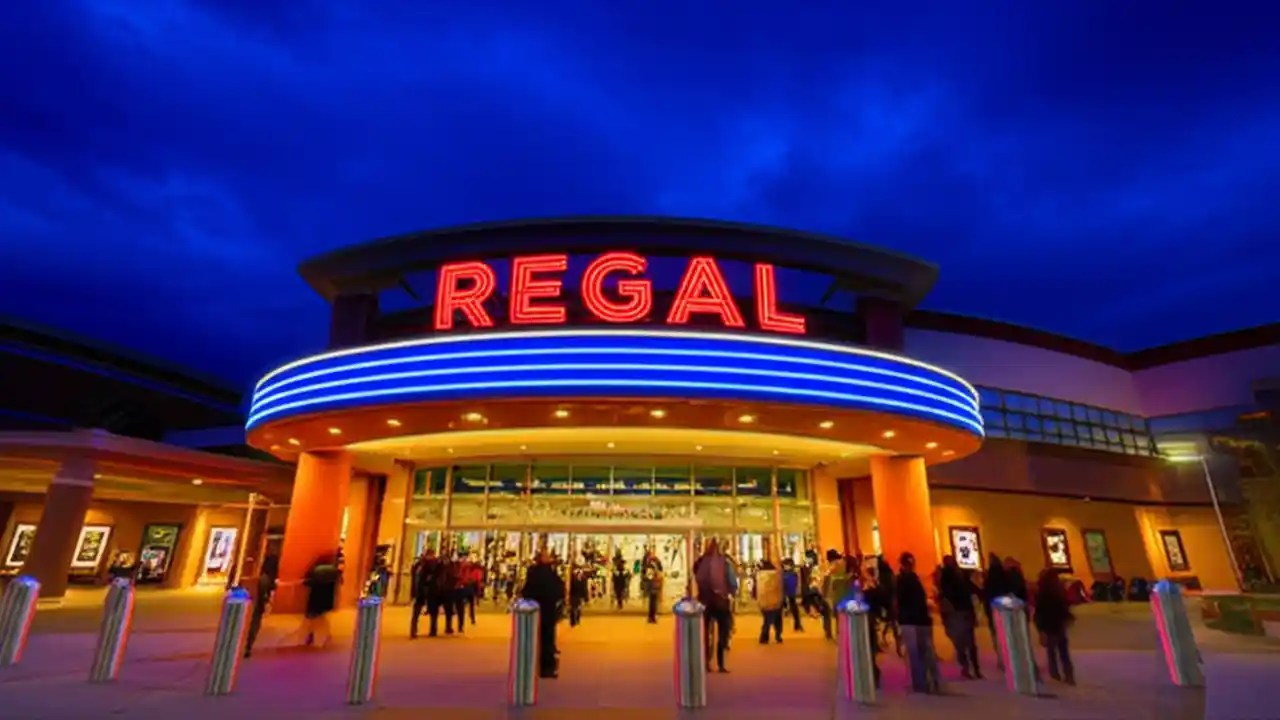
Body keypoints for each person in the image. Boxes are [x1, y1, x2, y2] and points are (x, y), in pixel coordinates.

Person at [896, 552, 940, 693]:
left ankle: (923, 681)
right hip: (917, 619)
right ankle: (926, 680)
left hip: (912, 619)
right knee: (921, 651)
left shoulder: (903, 579)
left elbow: (899, 600)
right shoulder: (908, 580)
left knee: (918, 652)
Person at [521, 548, 565, 679]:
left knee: (537, 639)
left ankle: (533, 666)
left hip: (536, 610)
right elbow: (558, 588)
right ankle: (546, 668)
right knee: (547, 640)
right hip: (547, 610)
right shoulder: (548, 572)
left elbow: (527, 590)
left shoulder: (535, 572)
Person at [938, 554, 982, 678]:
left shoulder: (953, 575)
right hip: (959, 610)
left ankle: (969, 667)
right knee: (967, 642)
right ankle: (971, 667)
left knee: (965, 642)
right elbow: (968, 588)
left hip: (960, 610)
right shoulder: (953, 575)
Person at [693, 539, 733, 673]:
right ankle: (721, 663)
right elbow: (732, 581)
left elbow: (695, 574)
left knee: (705, 632)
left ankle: (706, 662)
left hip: (705, 602)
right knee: (724, 629)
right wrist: (731, 591)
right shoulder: (724, 562)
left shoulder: (701, 561)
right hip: (721, 602)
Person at [286, 552, 340, 648]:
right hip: (327, 598)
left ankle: (308, 636)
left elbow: (309, 582)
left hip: (315, 597)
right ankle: (323, 638)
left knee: (310, 619)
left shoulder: (316, 570)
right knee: (322, 619)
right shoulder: (334, 571)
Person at [1034, 568, 1075, 685]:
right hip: (1058, 624)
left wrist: (1040, 628)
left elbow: (1039, 611)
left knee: (1051, 652)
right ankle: (1068, 674)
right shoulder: (1059, 591)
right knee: (1063, 651)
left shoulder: (1042, 593)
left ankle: (1055, 674)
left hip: (1048, 625)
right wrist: (1067, 618)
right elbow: (1064, 608)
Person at [244, 553, 279, 658]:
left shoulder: (261, 577)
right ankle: (247, 647)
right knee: (253, 626)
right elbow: (264, 595)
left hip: (252, 606)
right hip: (257, 608)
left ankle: (247, 646)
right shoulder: (267, 579)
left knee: (250, 626)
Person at [981, 552, 1010, 670]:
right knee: (1005, 634)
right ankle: (1007, 658)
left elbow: (986, 594)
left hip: (992, 608)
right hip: (1003, 608)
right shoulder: (1004, 576)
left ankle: (1001, 659)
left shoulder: (989, 579)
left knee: (996, 634)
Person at [410, 549, 444, 638]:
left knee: (417, 612)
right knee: (433, 612)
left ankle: (414, 630)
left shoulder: (420, 564)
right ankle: (433, 630)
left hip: (422, 590)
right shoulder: (437, 564)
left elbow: (416, 578)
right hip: (432, 590)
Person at [755, 557, 784, 644]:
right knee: (777, 620)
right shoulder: (776, 574)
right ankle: (777, 635)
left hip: (765, 602)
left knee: (767, 619)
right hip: (776, 601)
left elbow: (758, 589)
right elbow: (779, 587)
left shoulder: (760, 575)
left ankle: (765, 636)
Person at [642, 550, 664, 624]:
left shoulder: (650, 565)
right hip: (653, 584)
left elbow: (648, 576)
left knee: (653, 601)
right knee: (653, 601)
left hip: (652, 584)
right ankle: (652, 616)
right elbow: (650, 576)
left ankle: (651, 616)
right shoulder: (651, 565)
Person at [781, 558, 803, 632]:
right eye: (784, 565)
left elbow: (795, 584)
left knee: (794, 609)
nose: (785, 566)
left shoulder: (792, 574)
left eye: (786, 565)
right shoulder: (784, 573)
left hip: (791, 593)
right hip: (785, 594)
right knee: (792, 608)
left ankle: (797, 624)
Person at [569, 559, 589, 627]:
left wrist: (586, 596)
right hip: (575, 593)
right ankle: (574, 620)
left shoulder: (580, 575)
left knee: (576, 607)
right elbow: (584, 586)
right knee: (575, 607)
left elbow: (584, 586)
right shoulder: (573, 575)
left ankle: (575, 620)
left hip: (576, 593)